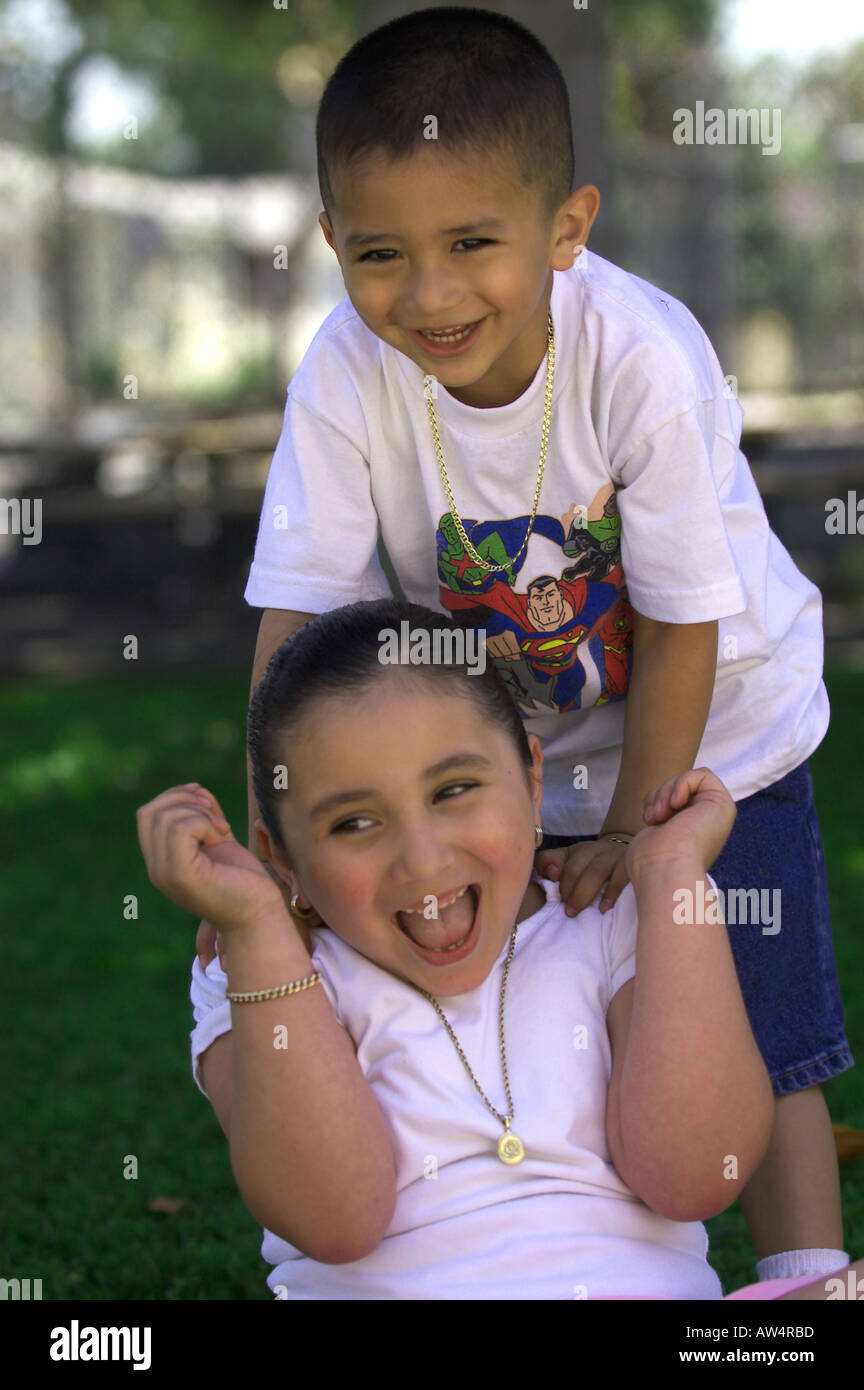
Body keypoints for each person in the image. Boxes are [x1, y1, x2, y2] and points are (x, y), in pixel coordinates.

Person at [207, 7, 854, 1287]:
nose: (430, 294)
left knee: (758, 1015)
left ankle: (807, 1273)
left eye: (472, 245)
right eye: (382, 253)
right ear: (332, 242)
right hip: (508, 752)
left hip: (722, 728)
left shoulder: (644, 355)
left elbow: (681, 617)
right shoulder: (344, 374)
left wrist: (635, 821)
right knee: (554, 1004)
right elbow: (298, 620)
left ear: (567, 230)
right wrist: (274, 835)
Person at [137, 600, 854, 1300]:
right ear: (281, 856)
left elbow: (696, 1173)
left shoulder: (605, 922)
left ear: (533, 779)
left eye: (454, 789)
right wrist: (260, 931)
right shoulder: (268, 970)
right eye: (354, 822)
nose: (420, 860)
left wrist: (670, 879)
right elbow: (333, 1221)